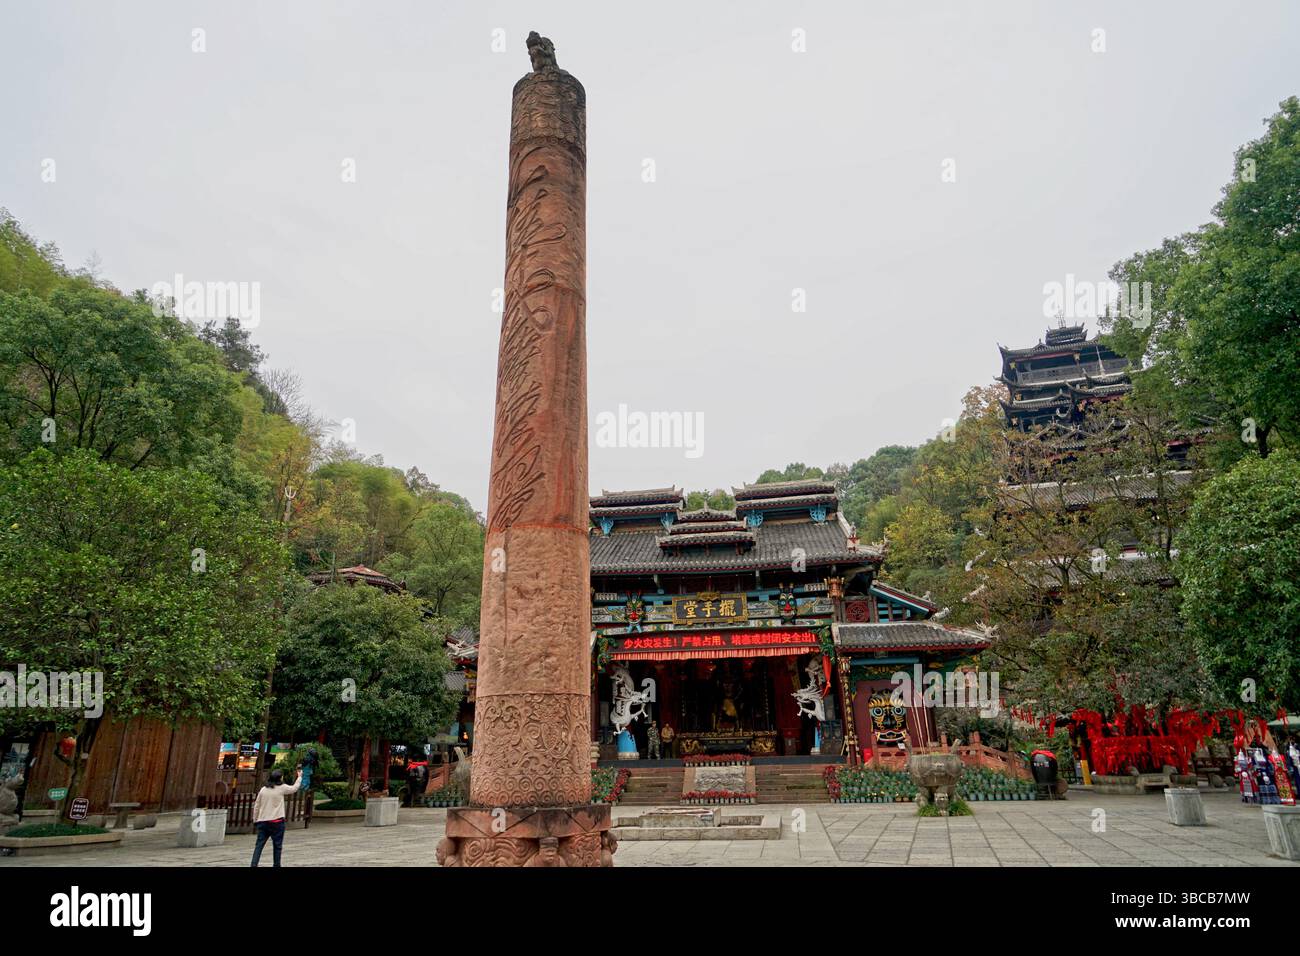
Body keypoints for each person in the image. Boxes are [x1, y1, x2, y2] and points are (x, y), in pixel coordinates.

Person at [250, 768, 305, 867]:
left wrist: (255, 819)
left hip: (263, 822)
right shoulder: (282, 788)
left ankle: (253, 864)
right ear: (280, 778)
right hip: (277, 822)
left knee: (259, 845)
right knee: (277, 846)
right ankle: (276, 865)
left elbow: (257, 806)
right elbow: (294, 788)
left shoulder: (263, 789)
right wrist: (299, 777)